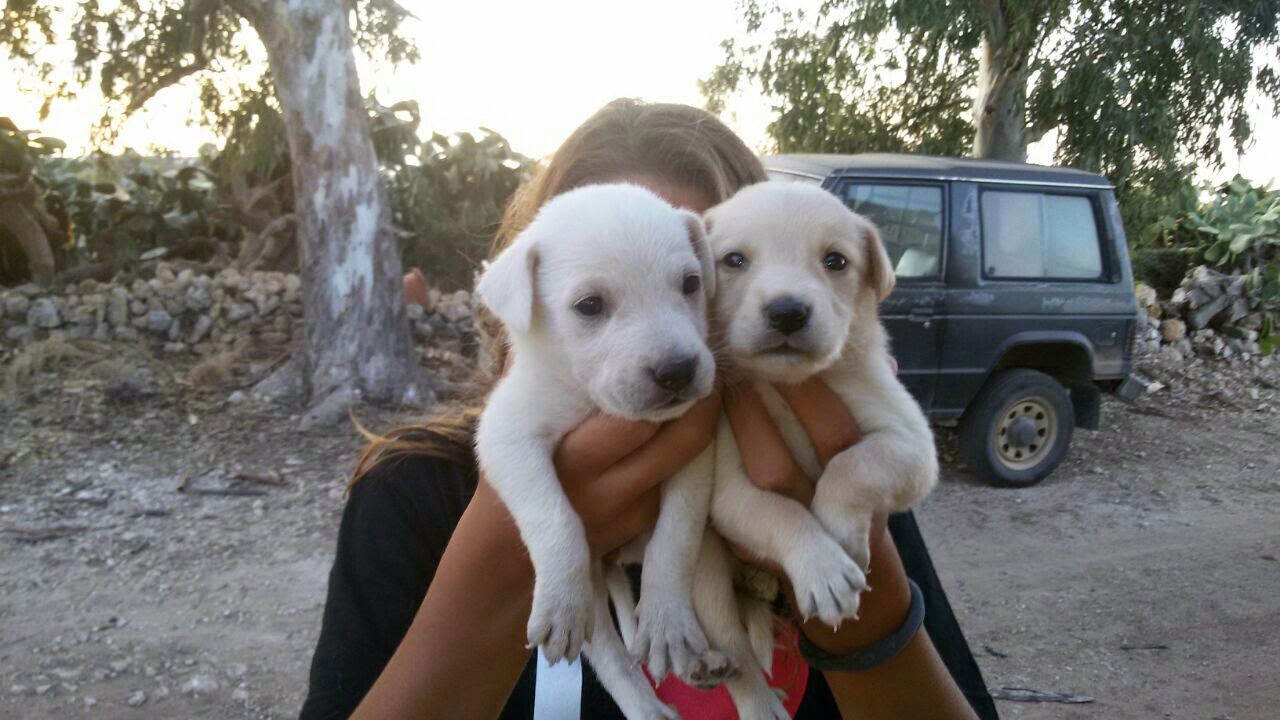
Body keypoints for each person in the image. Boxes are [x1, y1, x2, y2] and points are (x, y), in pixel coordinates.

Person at [299, 98, 999, 720]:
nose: (669, 346)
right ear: (529, 301)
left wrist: (856, 575)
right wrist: (498, 571)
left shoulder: (833, 473)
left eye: (694, 283)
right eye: (593, 304)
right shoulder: (412, 494)